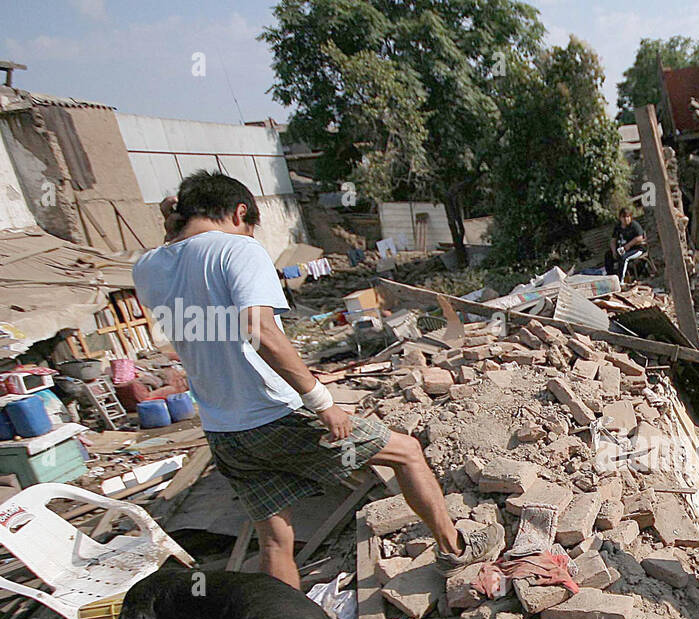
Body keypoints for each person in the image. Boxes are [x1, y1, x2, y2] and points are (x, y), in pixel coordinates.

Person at [132, 171, 503, 589]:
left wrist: (172, 223)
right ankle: (455, 550)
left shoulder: (147, 267)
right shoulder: (237, 250)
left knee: (274, 539)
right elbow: (262, 331)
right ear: (240, 213)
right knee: (407, 453)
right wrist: (322, 401)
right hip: (274, 414)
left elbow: (175, 253)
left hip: (223, 431)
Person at [604, 207, 645, 277]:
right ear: (620, 218)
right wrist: (614, 251)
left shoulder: (634, 225)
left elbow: (640, 238)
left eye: (628, 217)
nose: (626, 219)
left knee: (624, 258)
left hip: (636, 249)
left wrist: (629, 245)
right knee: (608, 255)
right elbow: (613, 240)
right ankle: (610, 276)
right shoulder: (618, 227)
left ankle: (621, 280)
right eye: (624, 217)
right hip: (622, 249)